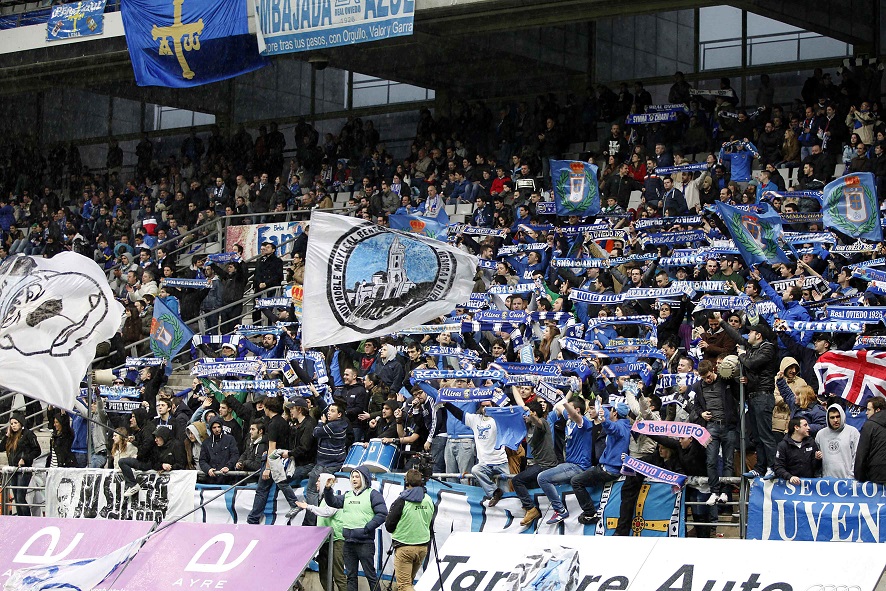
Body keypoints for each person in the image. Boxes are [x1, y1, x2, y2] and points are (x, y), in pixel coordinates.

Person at [323, 466, 388, 591]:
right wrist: (328, 489)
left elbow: (382, 514)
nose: (354, 479)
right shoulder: (347, 495)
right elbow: (333, 502)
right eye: (352, 477)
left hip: (365, 543)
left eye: (357, 477)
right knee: (351, 577)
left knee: (371, 576)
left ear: (364, 478)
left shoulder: (373, 494)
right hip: (348, 542)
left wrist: (367, 528)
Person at [571, 401, 631, 525]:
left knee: (575, 481)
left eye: (610, 410)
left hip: (609, 470)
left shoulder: (619, 426)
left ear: (615, 413)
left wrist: (604, 420)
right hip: (610, 467)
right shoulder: (627, 425)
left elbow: (612, 428)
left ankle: (590, 513)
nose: (607, 411)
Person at [442, 398, 509, 506]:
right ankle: (495, 492)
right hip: (484, 463)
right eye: (483, 406)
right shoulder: (475, 419)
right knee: (475, 470)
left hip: (501, 462)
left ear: (493, 406)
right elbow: (459, 413)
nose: (485, 408)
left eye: (488, 406)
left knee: (506, 495)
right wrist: (446, 403)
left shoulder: (500, 420)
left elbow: (510, 410)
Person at [247, 395, 302, 524]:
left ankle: (253, 519)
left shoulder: (273, 424)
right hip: (282, 458)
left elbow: (272, 448)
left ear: (268, 408)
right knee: (282, 483)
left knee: (262, 490)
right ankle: (294, 503)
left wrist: (267, 468)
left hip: (274, 460)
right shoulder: (282, 421)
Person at [385, 468, 435, 591]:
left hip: (404, 546)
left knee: (404, 585)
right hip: (422, 547)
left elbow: (389, 525)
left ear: (406, 482)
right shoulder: (428, 499)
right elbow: (430, 521)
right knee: (408, 583)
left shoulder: (401, 501)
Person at [296, 473, 347, 591]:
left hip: (336, 540)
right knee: (324, 574)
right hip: (325, 541)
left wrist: (308, 506)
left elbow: (327, 512)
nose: (316, 483)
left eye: (319, 481)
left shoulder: (334, 497)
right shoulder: (323, 498)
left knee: (338, 574)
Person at [511, 400, 558, 527]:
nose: (525, 416)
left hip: (546, 464)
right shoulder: (528, 425)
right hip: (537, 463)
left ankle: (531, 509)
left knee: (517, 480)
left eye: (528, 413)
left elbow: (538, 422)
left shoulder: (543, 423)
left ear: (534, 413)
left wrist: (531, 415)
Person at [121, 426, 186, 498]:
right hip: (163, 483)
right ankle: (133, 485)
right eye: (155, 437)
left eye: (158, 437)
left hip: (177, 483)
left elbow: (182, 464)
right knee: (122, 461)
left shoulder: (177, 445)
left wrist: (171, 467)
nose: (155, 440)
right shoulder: (156, 447)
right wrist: (161, 466)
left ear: (164, 437)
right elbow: (153, 463)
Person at [0, 412, 41, 516]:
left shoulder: (28, 434)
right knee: (16, 498)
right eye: (11, 424)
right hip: (13, 470)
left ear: (21, 423)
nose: (13, 425)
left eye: (15, 423)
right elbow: (1, 447)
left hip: (23, 470)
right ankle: (20, 518)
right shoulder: (11, 436)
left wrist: (25, 458)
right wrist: (6, 436)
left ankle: (27, 519)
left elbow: (37, 450)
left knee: (20, 497)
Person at [815, 404, 859, 478]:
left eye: (838, 416)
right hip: (827, 480)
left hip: (848, 480)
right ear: (828, 418)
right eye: (832, 417)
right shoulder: (820, 434)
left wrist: (851, 476)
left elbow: (857, 456)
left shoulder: (852, 432)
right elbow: (816, 459)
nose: (835, 420)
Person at [773, 418, 820, 484]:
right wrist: (790, 477)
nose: (809, 428)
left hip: (808, 484)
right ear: (796, 427)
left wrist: (818, 459)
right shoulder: (783, 445)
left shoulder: (811, 442)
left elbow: (816, 467)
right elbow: (778, 467)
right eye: (805, 425)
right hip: (789, 484)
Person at [198, 416, 240, 484]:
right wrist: (208, 469)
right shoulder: (206, 443)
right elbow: (202, 460)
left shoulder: (230, 439)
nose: (217, 429)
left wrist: (228, 466)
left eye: (219, 427)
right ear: (211, 428)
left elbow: (235, 455)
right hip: (212, 480)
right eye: (214, 427)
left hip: (228, 479)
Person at [854, 397, 886, 484]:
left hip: (876, 474)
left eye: (869, 410)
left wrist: (859, 478)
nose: (866, 413)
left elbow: (861, 454)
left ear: (877, 410)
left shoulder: (869, 425)